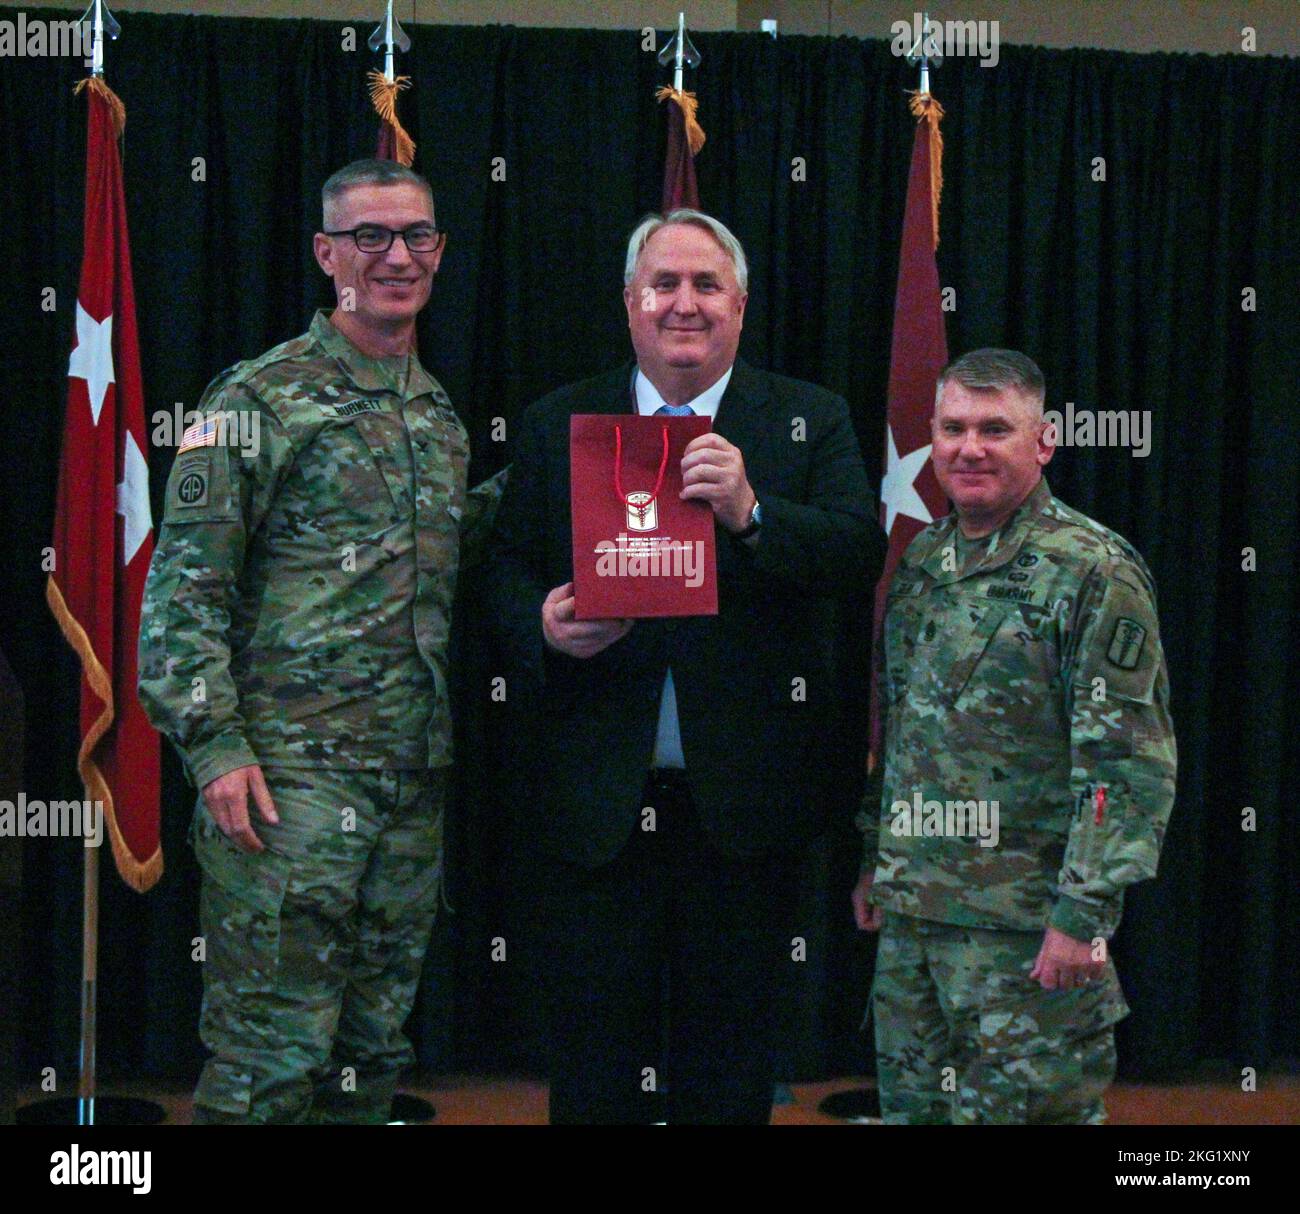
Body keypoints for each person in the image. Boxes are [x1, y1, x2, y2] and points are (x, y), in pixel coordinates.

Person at [489, 208, 885, 1124]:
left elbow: (858, 552)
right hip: (598, 813)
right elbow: (501, 572)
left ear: (740, 306)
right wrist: (541, 624)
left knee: (729, 1074)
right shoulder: (561, 420)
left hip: (744, 815)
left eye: (707, 285)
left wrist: (753, 512)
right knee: (593, 1074)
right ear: (630, 304)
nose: (684, 303)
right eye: (663, 284)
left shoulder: (805, 418)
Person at [138, 159, 503, 1124]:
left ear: (440, 250)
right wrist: (214, 750)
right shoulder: (257, 399)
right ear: (325, 253)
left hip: (408, 781)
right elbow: (180, 599)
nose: (396, 256)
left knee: (371, 1052)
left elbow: (446, 556)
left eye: (416, 235)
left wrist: (574, 479)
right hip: (286, 786)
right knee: (271, 1056)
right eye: (370, 236)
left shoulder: (437, 415)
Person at [852, 348, 1177, 1124]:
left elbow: (1125, 764)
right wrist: (877, 858)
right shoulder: (926, 558)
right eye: (954, 428)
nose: (970, 448)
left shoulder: (1093, 568)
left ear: (1044, 440)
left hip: (1027, 928)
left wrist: (1082, 916)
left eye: (996, 429)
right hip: (915, 919)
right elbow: (902, 730)